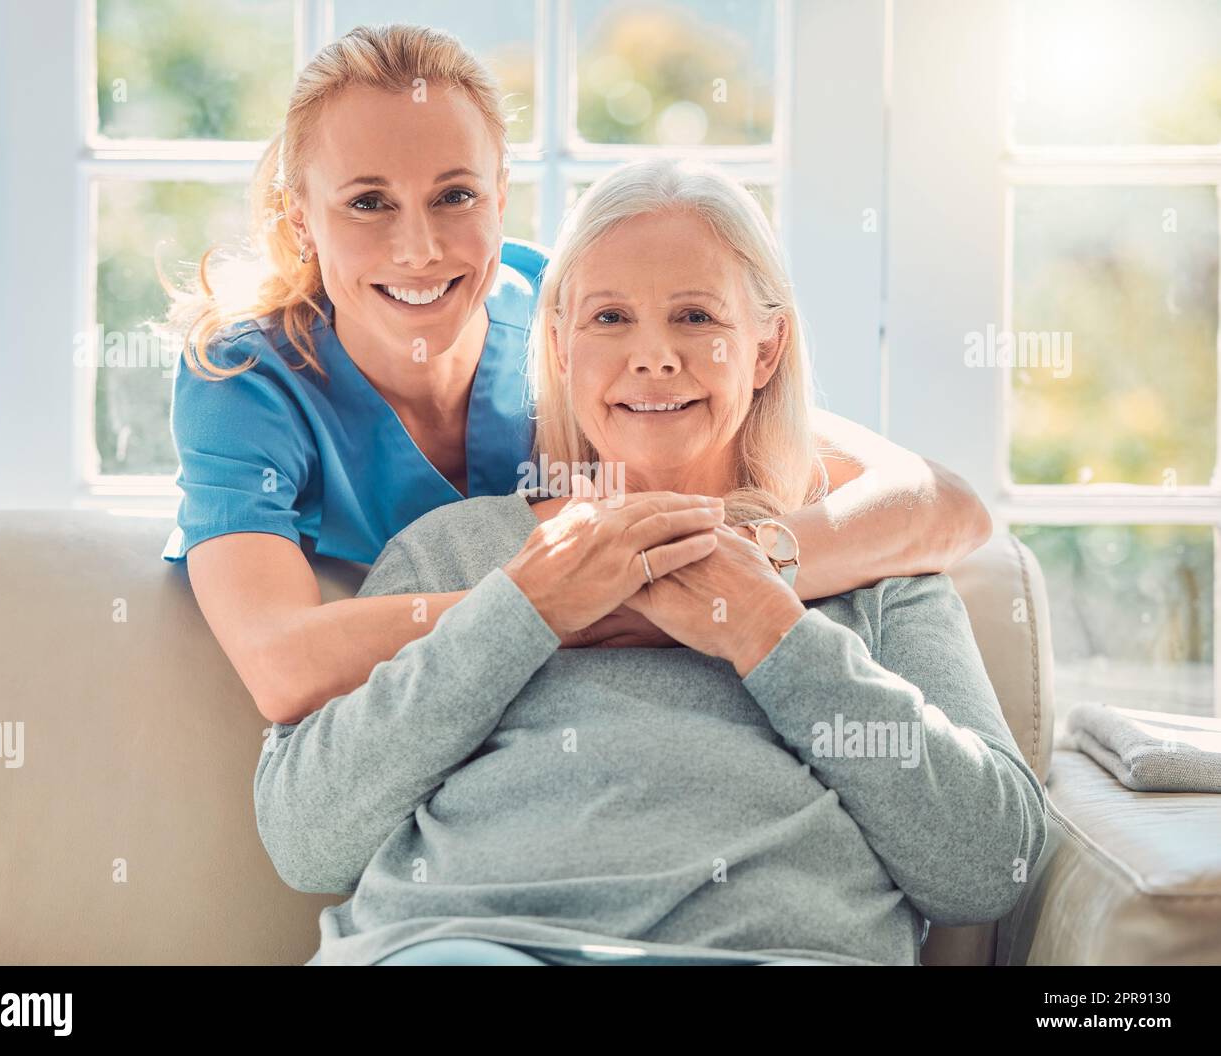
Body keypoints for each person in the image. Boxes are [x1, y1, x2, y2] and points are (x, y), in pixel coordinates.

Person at [254, 157, 1048, 967]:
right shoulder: (449, 550)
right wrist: (521, 612)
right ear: (560, 347)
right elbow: (305, 838)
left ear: (765, 349)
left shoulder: (874, 568)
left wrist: (770, 633)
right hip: (465, 946)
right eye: (610, 318)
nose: (654, 357)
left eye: (696, 316)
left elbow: (989, 866)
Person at [161, 24, 992, 729]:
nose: (419, 249)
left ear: (500, 195)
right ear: (301, 219)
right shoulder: (245, 380)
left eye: (454, 196)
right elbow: (282, 666)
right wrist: (561, 602)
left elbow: (943, 503)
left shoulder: (581, 323)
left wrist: (741, 573)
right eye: (368, 203)